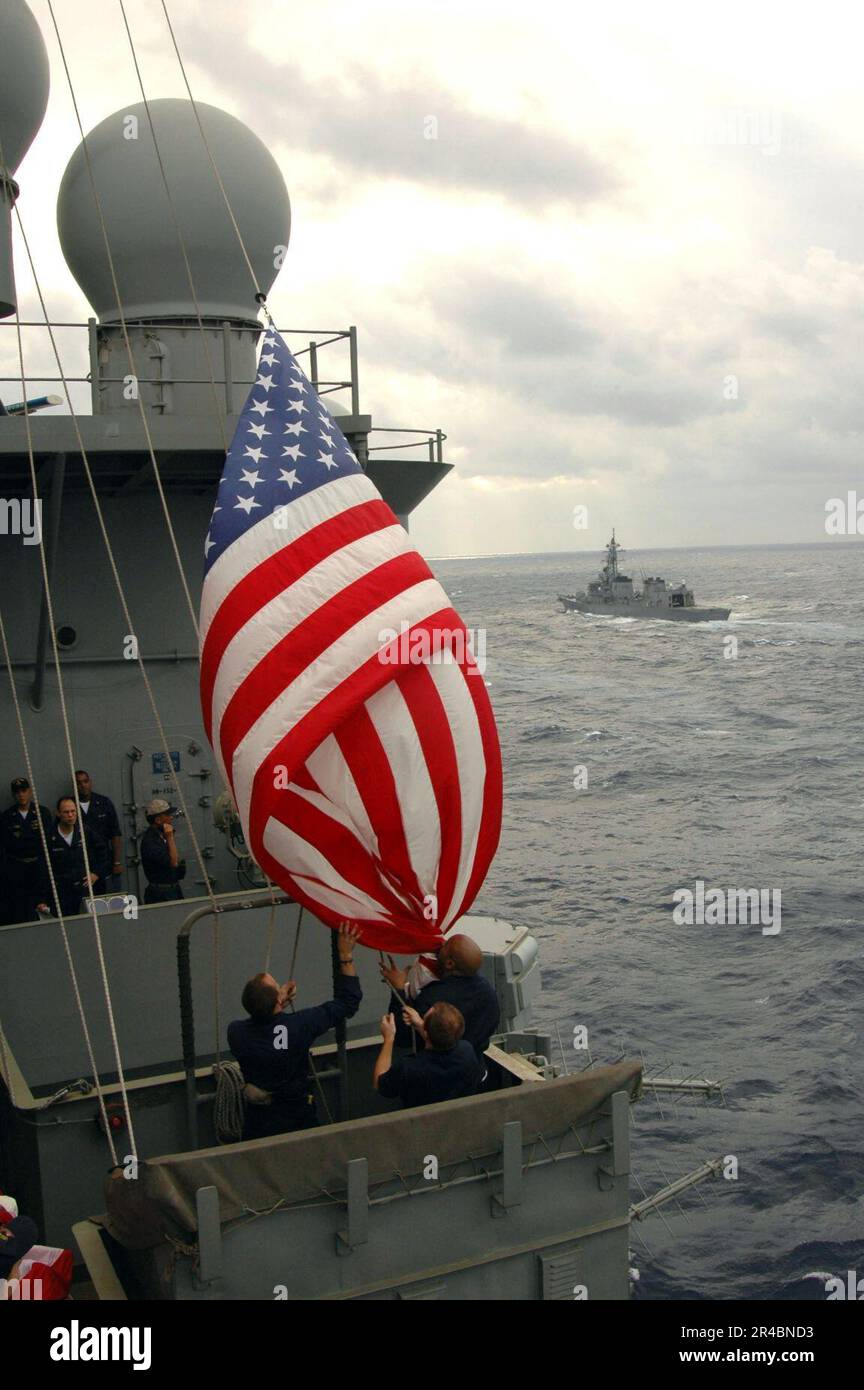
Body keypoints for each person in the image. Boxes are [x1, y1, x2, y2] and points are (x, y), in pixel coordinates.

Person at [228, 922, 363, 1140]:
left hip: (258, 1125)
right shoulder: (299, 1026)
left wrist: (277, 1002)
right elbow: (349, 1002)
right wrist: (345, 954)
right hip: (298, 1120)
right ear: (278, 1002)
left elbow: (263, 1024)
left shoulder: (236, 1033)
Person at [380, 933, 500, 1068]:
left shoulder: (432, 999)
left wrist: (399, 990)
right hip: (474, 1068)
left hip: (436, 1071)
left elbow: (403, 1037)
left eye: (445, 945)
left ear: (449, 964)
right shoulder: (488, 993)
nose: (441, 944)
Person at [374, 1002, 483, 1108]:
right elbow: (441, 1039)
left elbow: (379, 1084)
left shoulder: (409, 1067)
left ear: (426, 1033)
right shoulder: (467, 1052)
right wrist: (420, 1024)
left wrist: (389, 1038)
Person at [36, 797, 107, 918]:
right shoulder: (49, 837)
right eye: (66, 812)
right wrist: (41, 899)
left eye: (73, 811)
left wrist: (96, 873)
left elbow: (103, 852)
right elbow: (42, 869)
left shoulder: (85, 832)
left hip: (83, 890)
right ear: (58, 813)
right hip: (60, 893)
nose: (70, 815)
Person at [0, 778, 51, 924]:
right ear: (13, 795)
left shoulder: (42, 813)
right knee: (19, 907)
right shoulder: (7, 817)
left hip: (39, 866)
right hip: (17, 867)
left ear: (29, 792)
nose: (21, 795)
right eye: (17, 792)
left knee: (42, 904)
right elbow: (7, 843)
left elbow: (46, 838)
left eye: (24, 791)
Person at [74, 770, 123, 890]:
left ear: (90, 782)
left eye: (85, 781)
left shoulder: (104, 803)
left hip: (103, 859)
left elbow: (115, 833)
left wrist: (117, 862)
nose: (83, 785)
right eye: (79, 783)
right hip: (80, 861)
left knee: (106, 897)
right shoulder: (70, 806)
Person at [139, 799, 186, 904]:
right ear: (158, 820)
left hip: (172, 889)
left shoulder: (160, 837)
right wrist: (170, 837)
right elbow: (173, 862)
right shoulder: (150, 842)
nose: (171, 818)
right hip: (161, 894)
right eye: (167, 815)